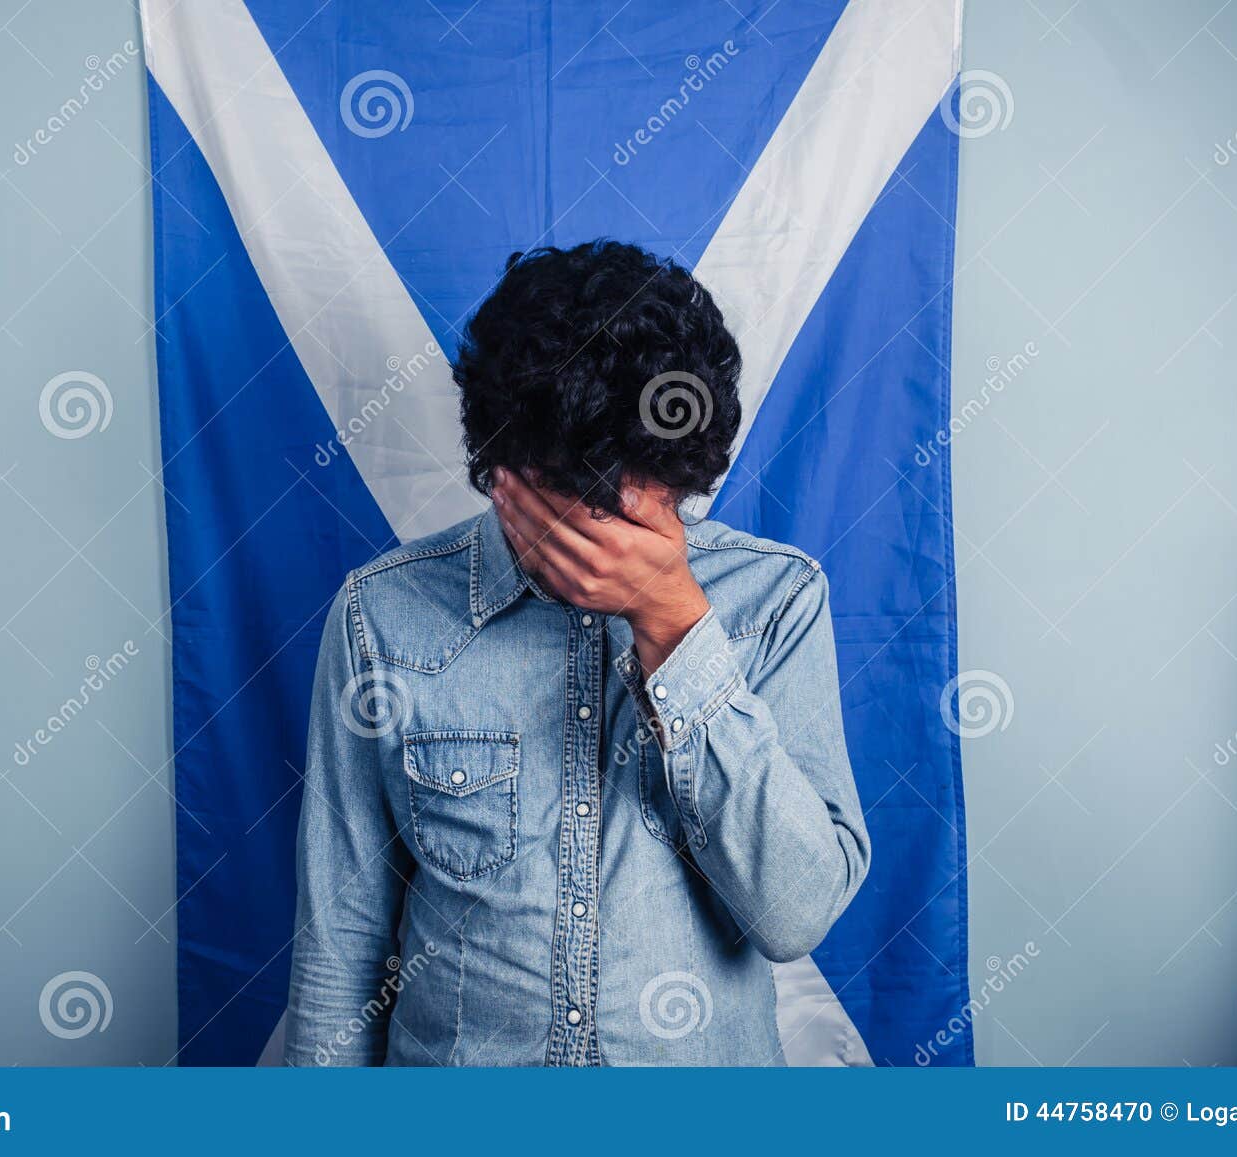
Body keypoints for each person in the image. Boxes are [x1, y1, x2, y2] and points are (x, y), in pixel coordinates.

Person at [284, 240, 869, 1066]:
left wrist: (674, 621)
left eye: (652, 495)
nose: (620, 536)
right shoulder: (382, 616)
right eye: (594, 507)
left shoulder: (776, 601)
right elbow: (339, 943)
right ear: (506, 473)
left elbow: (797, 912)